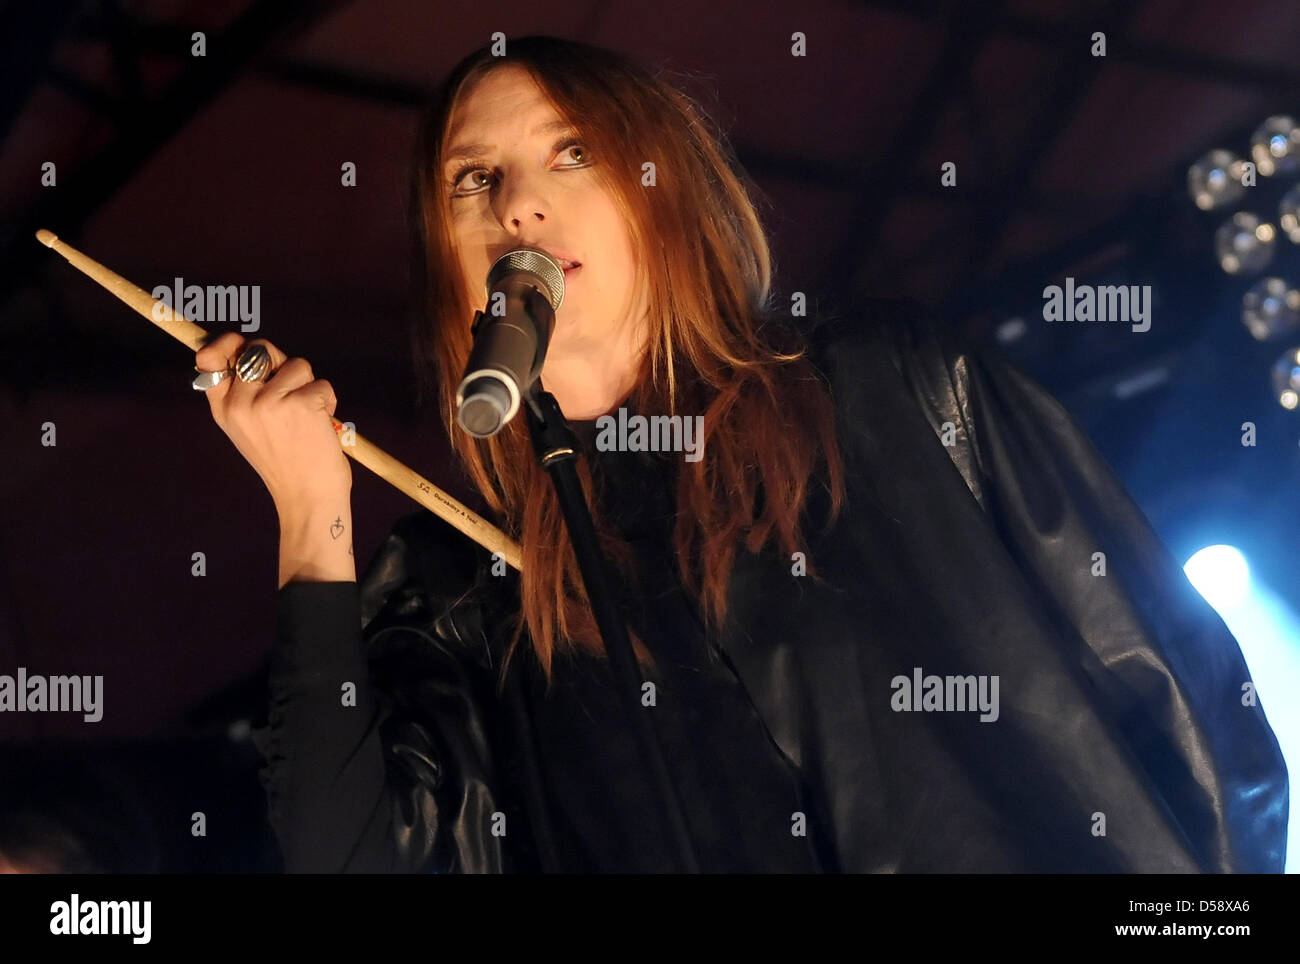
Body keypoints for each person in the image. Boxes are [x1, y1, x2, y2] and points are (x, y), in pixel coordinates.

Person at [195, 36, 1288, 873]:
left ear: (658, 187)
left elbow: (1191, 704)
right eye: (470, 179)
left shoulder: (884, 391)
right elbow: (352, 858)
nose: (518, 202)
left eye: (571, 152)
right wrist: (310, 512)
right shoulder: (459, 590)